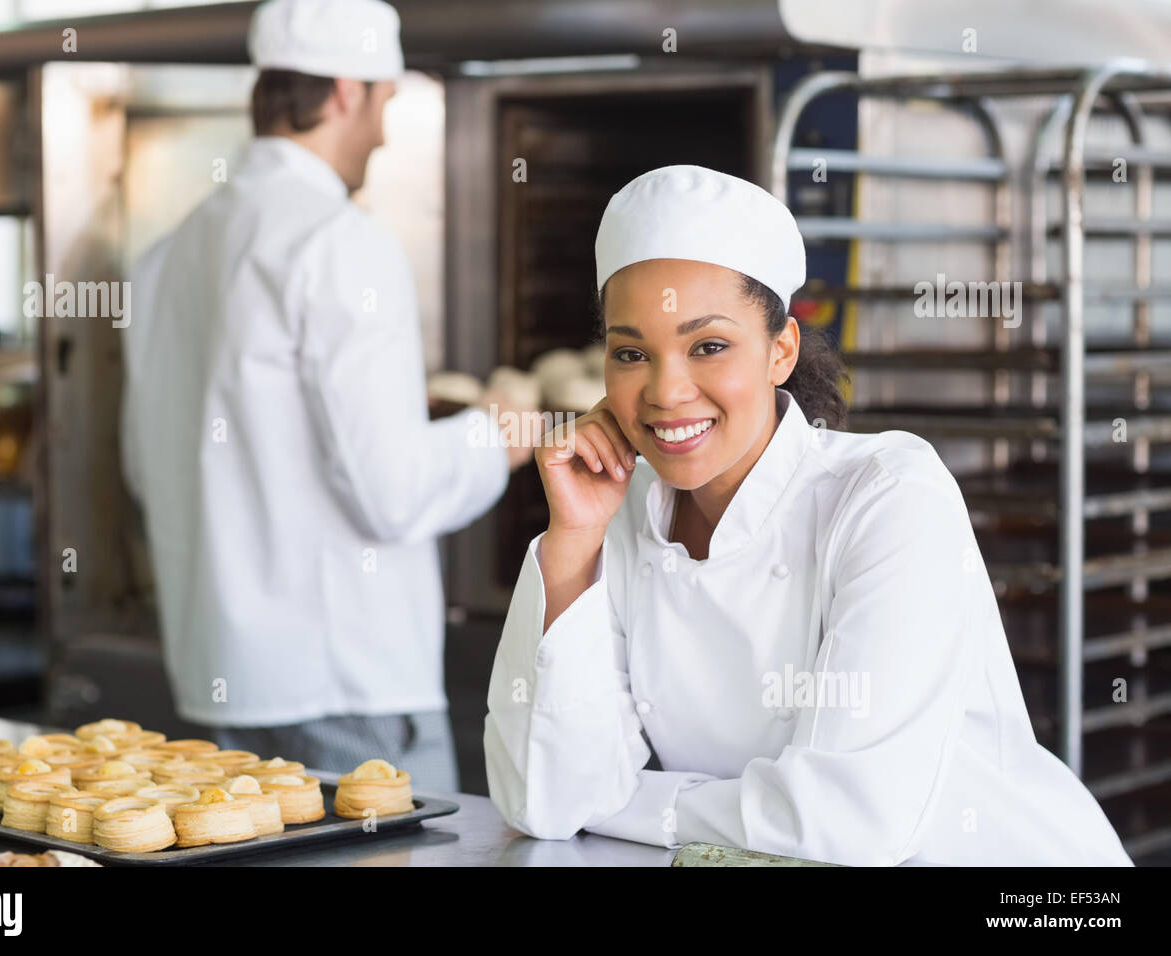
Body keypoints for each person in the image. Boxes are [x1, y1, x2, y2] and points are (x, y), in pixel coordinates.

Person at [483, 164, 1133, 865]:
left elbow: (849, 820)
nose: (666, 391)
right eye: (632, 352)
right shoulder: (614, 515)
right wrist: (573, 540)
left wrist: (631, 801)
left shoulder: (887, 496)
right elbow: (540, 799)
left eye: (708, 345)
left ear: (780, 350)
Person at [120, 0, 533, 792]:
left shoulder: (166, 255)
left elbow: (148, 468)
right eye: (385, 102)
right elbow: (394, 492)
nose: (383, 131)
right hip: (349, 690)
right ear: (346, 91)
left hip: (222, 683)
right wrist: (497, 436)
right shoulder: (341, 241)